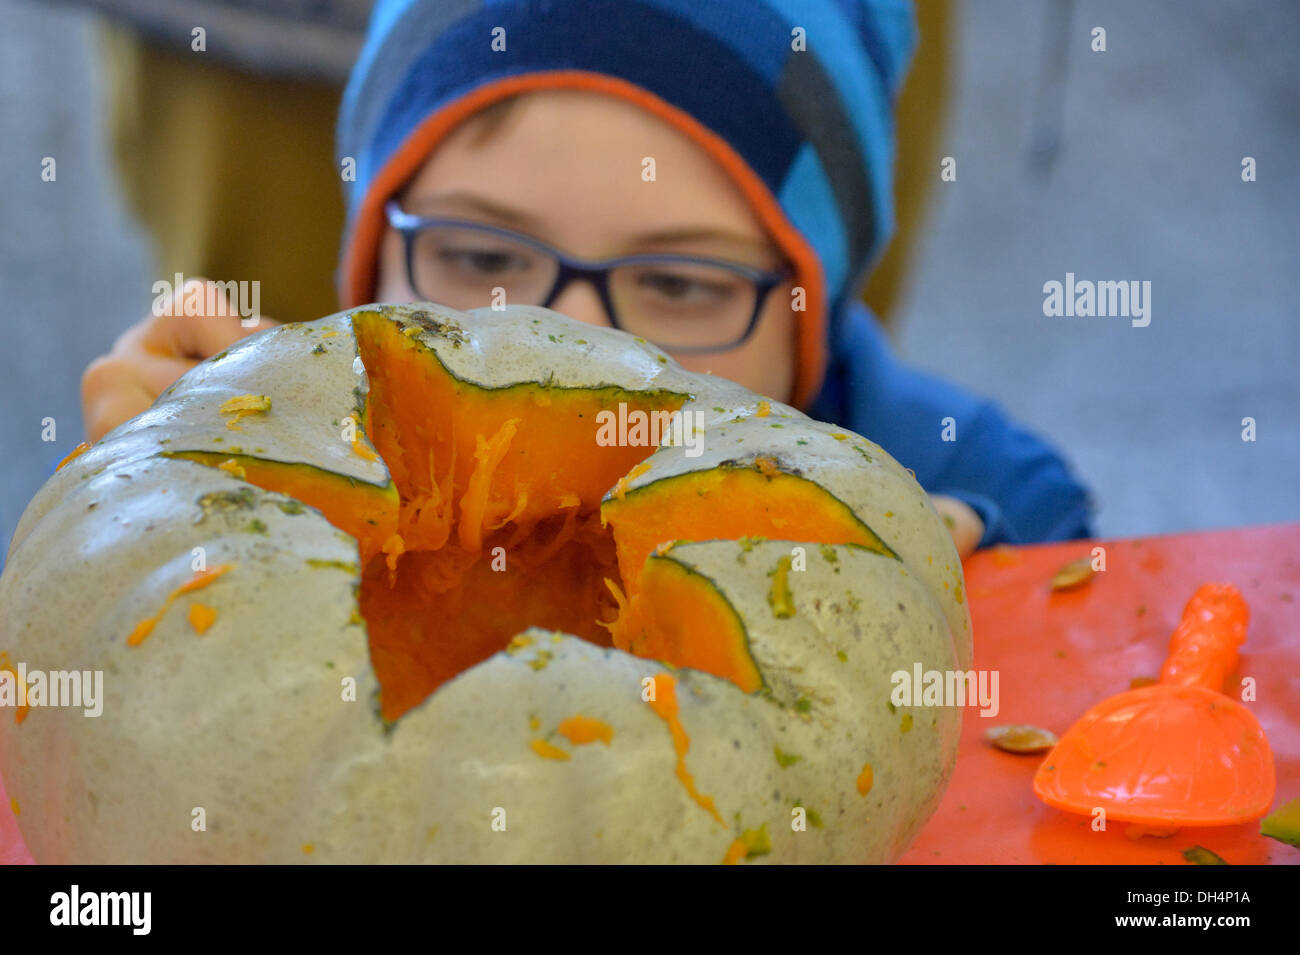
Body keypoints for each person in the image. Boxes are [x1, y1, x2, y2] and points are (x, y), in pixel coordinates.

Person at [81, 0, 1094, 557]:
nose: (565, 353)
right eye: (480, 259)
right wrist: (153, 497)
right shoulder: (298, 467)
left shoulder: (980, 489)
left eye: (679, 282)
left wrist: (969, 595)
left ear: (808, 310)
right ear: (365, 264)